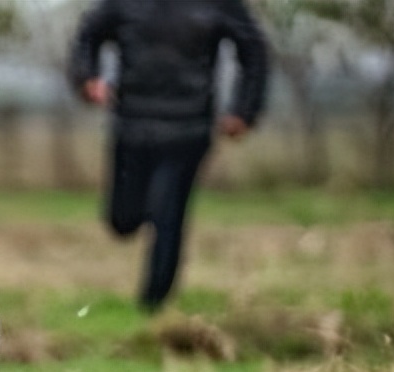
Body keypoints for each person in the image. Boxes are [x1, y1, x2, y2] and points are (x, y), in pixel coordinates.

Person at [68, 0, 269, 312]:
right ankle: (144, 214)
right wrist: (87, 77)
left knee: (168, 213)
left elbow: (253, 50)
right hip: (132, 125)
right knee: (122, 220)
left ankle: (153, 303)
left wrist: (244, 110)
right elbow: (89, 34)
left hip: (188, 128)